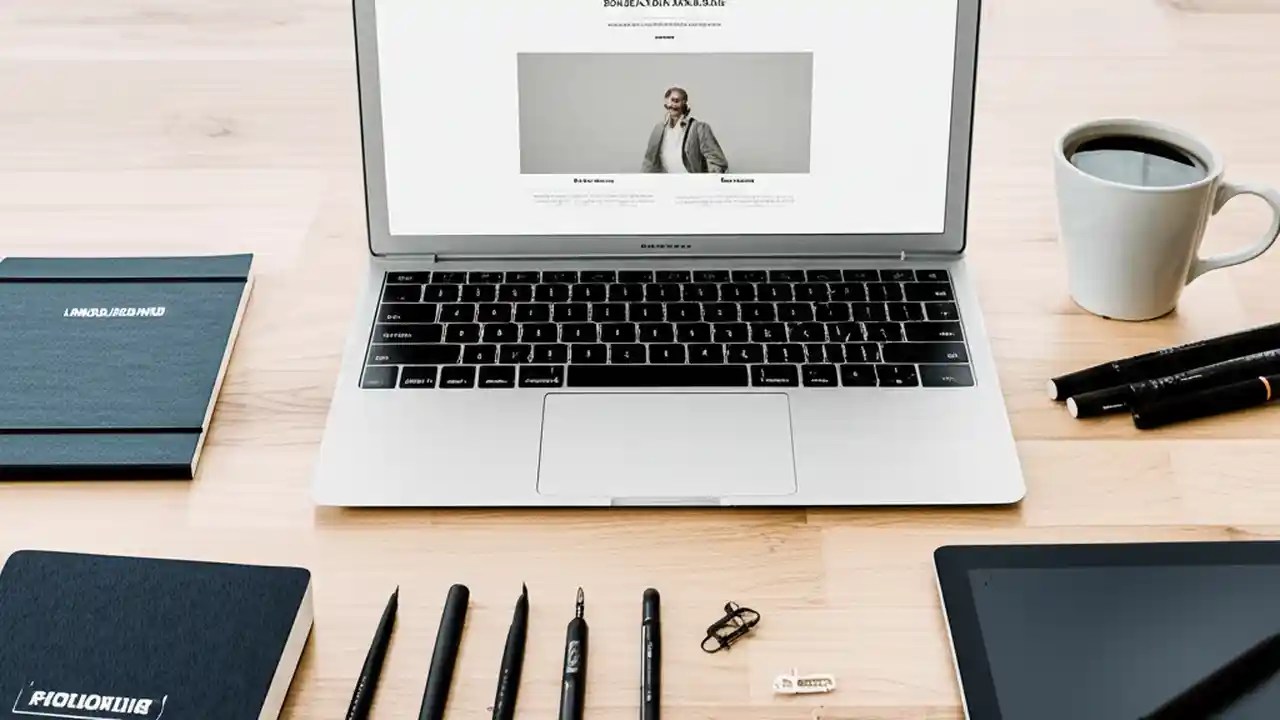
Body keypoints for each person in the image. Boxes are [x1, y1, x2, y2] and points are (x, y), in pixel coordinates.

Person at [642, 87, 728, 173]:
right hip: (667, 183)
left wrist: (710, 182)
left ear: (684, 103)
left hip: (693, 183)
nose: (672, 105)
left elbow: (717, 161)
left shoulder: (699, 128)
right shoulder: (659, 129)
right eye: (670, 102)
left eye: (676, 101)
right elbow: (649, 161)